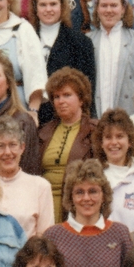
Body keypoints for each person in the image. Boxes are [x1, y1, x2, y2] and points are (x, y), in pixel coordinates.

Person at [29, 0, 95, 126]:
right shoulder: (25, 38)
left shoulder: (80, 42)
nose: (48, 9)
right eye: (43, 5)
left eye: (53, 4)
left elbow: (87, 88)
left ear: (62, 6)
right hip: (31, 115)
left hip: (66, 118)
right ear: (35, 8)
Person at [38, 67, 97, 221]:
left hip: (77, 207)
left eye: (67, 95)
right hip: (43, 204)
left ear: (81, 99)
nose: (61, 101)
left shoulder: (94, 130)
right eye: (56, 97)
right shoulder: (44, 131)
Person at [0, 116, 55, 239]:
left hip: (27, 256)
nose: (7, 152)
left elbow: (45, 237)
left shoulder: (40, 186)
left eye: (13, 145)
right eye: (1, 146)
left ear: (22, 148)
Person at [95, 109, 134, 233]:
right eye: (108, 137)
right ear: (101, 143)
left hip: (131, 249)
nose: (114, 142)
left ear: (130, 141)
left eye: (120, 136)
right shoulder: (90, 175)